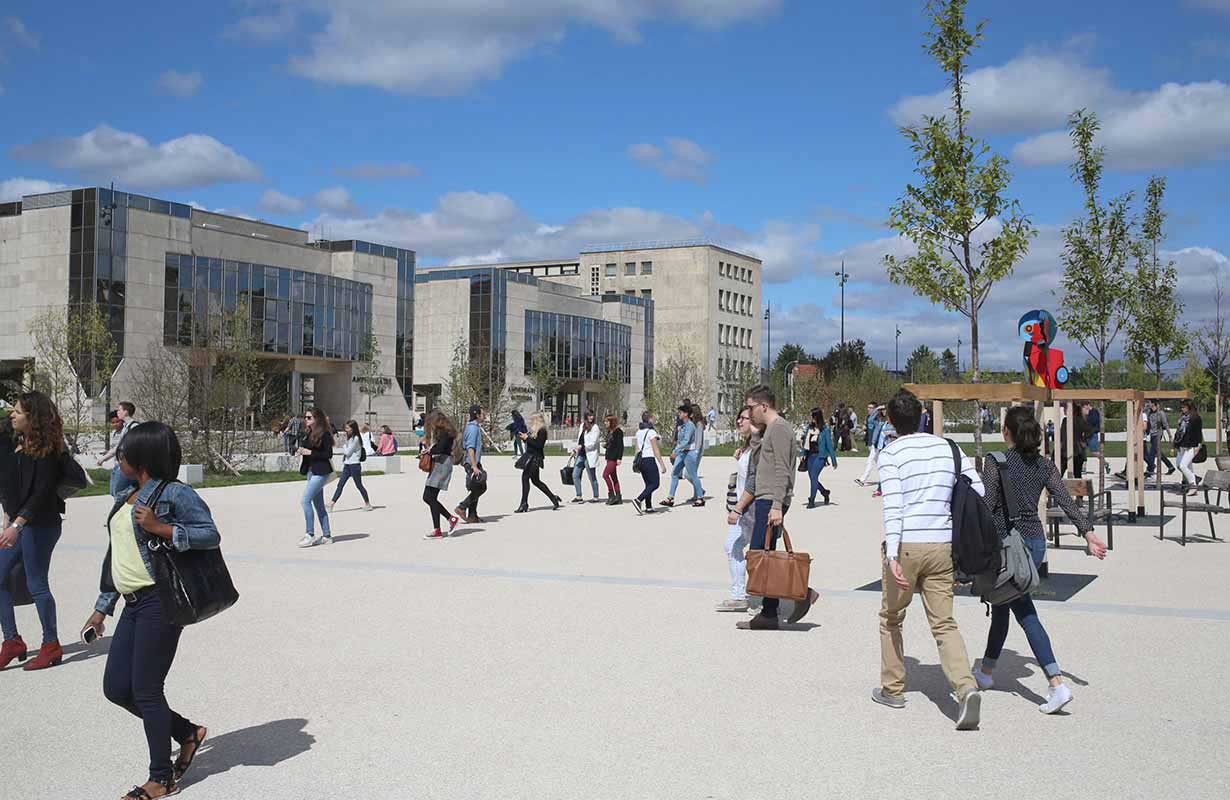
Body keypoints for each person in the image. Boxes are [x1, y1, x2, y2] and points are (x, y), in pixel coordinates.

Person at [80, 421, 219, 799]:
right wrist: (101, 608)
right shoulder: (126, 495)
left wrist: (162, 528)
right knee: (116, 688)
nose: (118, 458)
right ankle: (187, 733)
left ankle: (161, 778)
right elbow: (118, 556)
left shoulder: (174, 493)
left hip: (161, 600)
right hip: (131, 603)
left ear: (142, 458)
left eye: (123, 453)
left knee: (146, 689)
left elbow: (209, 534)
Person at [974, 407, 1108, 715]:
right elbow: (1065, 499)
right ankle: (987, 671)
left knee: (1024, 612)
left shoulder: (995, 462)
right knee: (1003, 604)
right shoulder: (1044, 465)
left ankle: (1056, 683)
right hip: (1034, 544)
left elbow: (987, 505)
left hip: (1008, 547)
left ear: (1006, 432)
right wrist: (1087, 533)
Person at [872, 389, 983, 730]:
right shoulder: (949, 448)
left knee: (892, 618)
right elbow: (977, 489)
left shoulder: (891, 453)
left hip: (907, 543)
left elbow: (894, 506)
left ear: (891, 421)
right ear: (922, 415)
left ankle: (893, 688)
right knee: (944, 622)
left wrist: (892, 554)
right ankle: (965, 686)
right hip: (941, 544)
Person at [736, 385, 818, 631]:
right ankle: (770, 612)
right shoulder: (770, 429)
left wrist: (776, 505)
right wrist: (755, 435)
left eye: (750, 407)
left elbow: (783, 469)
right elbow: (761, 461)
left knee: (759, 555)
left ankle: (801, 593)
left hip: (771, 499)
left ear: (763, 406)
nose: (748, 412)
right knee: (764, 555)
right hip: (765, 497)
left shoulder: (780, 428)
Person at [0, 391, 67, 672]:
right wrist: (8, 520)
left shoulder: (48, 449)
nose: (12, 415)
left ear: (32, 417)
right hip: (18, 523)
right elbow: (9, 489)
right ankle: (12, 641)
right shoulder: (15, 443)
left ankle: (51, 644)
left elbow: (41, 493)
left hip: (41, 525)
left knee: (36, 583)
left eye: (17, 411)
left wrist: (17, 525)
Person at [718, 406, 756, 612]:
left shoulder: (757, 448)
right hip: (744, 509)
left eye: (744, 418)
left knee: (736, 547)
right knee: (733, 547)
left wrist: (738, 509)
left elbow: (753, 483)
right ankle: (740, 594)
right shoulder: (749, 447)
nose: (739, 421)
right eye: (739, 418)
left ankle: (742, 595)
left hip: (750, 510)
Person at [296, 407, 334, 548]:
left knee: (305, 501)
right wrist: (301, 450)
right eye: (305, 417)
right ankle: (327, 536)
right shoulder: (308, 433)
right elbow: (308, 450)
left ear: (317, 419)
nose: (306, 420)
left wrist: (309, 452)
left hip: (321, 472)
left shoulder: (324, 434)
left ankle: (309, 534)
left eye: (309, 417)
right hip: (311, 471)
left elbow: (328, 454)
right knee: (318, 505)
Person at [421, 411, 461, 538]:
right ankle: (447, 522)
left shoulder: (445, 432)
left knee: (429, 497)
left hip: (442, 465)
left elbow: (441, 448)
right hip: (440, 464)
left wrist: (429, 450)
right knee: (429, 497)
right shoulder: (445, 432)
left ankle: (439, 528)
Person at [515, 412, 562, 513]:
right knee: (536, 481)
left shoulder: (542, 430)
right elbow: (531, 443)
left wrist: (527, 438)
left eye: (532, 420)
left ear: (537, 420)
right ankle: (553, 498)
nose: (530, 422)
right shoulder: (534, 430)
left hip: (535, 458)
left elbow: (539, 445)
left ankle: (524, 503)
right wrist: (525, 438)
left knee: (525, 478)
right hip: (530, 456)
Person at [662, 405, 705, 508]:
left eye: (680, 412)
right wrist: (676, 450)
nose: (679, 414)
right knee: (674, 474)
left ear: (686, 414)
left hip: (689, 453)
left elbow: (686, 441)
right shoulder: (683, 426)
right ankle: (670, 498)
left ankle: (700, 498)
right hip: (682, 453)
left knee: (693, 475)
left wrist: (675, 451)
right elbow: (680, 441)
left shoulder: (690, 425)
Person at [328, 420, 373, 512]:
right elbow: (347, 451)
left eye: (348, 428)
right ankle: (331, 503)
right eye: (345, 428)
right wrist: (345, 446)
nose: (346, 430)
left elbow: (348, 452)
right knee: (340, 484)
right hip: (347, 465)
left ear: (353, 429)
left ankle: (368, 504)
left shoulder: (356, 438)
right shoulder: (350, 438)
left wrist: (344, 446)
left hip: (354, 465)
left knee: (359, 485)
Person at [97, 401, 138, 499]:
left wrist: (103, 459)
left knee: (119, 494)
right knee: (114, 492)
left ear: (126, 412)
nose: (117, 412)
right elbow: (119, 447)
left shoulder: (134, 427)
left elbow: (124, 447)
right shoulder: (125, 428)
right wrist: (106, 456)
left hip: (128, 465)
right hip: (120, 464)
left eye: (119, 410)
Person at [454, 406, 488, 523]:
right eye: (482, 413)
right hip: (471, 462)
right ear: (477, 415)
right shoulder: (473, 429)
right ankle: (462, 507)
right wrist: (474, 466)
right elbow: (470, 448)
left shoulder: (471, 426)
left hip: (472, 461)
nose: (484, 415)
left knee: (476, 486)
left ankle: (473, 515)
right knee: (482, 487)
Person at [632, 412, 667, 514]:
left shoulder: (639, 432)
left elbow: (637, 449)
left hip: (641, 460)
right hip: (649, 459)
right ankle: (639, 499)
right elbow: (655, 449)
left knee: (648, 484)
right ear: (650, 419)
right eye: (653, 418)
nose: (655, 420)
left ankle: (649, 506)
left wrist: (635, 462)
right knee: (655, 483)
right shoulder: (651, 432)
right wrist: (662, 464)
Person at [800, 408, 837, 508]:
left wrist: (833, 460)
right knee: (813, 478)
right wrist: (802, 453)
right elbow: (805, 442)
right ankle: (824, 492)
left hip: (820, 457)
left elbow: (829, 445)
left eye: (812, 416)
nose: (810, 418)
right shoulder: (809, 428)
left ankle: (811, 500)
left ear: (817, 417)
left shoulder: (825, 430)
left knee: (813, 477)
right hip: (810, 456)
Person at [1174, 400, 1203, 496]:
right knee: (1179, 465)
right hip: (1181, 445)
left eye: (1183, 407)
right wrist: (1175, 443)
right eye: (1181, 407)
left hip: (1191, 445)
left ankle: (1193, 486)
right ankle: (1194, 478)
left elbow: (1198, 433)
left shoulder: (1195, 418)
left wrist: (1198, 445)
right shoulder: (1182, 418)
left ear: (1189, 407)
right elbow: (1179, 432)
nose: (1182, 409)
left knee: (1183, 466)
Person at [571, 410, 601, 503]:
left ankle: (596, 496)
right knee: (575, 475)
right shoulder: (582, 425)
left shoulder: (595, 427)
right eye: (589, 415)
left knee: (591, 476)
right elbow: (580, 439)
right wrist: (576, 449)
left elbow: (593, 443)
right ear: (586, 416)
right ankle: (578, 495)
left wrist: (583, 446)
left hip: (589, 454)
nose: (591, 417)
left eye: (592, 415)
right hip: (581, 454)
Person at [1145, 400, 1176, 478]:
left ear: (1157, 405)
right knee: (1158, 452)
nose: (1152, 407)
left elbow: (1166, 424)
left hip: (1158, 434)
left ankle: (1150, 469)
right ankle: (1170, 466)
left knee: (1152, 451)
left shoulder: (1161, 413)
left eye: (1153, 406)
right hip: (1152, 434)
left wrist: (1170, 436)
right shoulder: (1149, 413)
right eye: (1151, 406)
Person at [856, 406, 883, 487]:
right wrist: (877, 409)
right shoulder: (875, 421)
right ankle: (884, 478)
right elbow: (870, 419)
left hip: (880, 445)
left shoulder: (884, 423)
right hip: (875, 444)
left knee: (871, 461)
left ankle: (863, 479)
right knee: (877, 462)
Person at [602, 415, 624, 505]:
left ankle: (612, 495)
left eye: (607, 421)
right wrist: (606, 445)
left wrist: (619, 458)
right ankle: (618, 497)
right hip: (609, 456)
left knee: (605, 475)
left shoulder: (618, 431)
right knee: (614, 477)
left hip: (614, 457)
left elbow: (620, 445)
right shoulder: (609, 431)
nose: (605, 423)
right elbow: (610, 443)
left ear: (612, 422)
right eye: (605, 421)